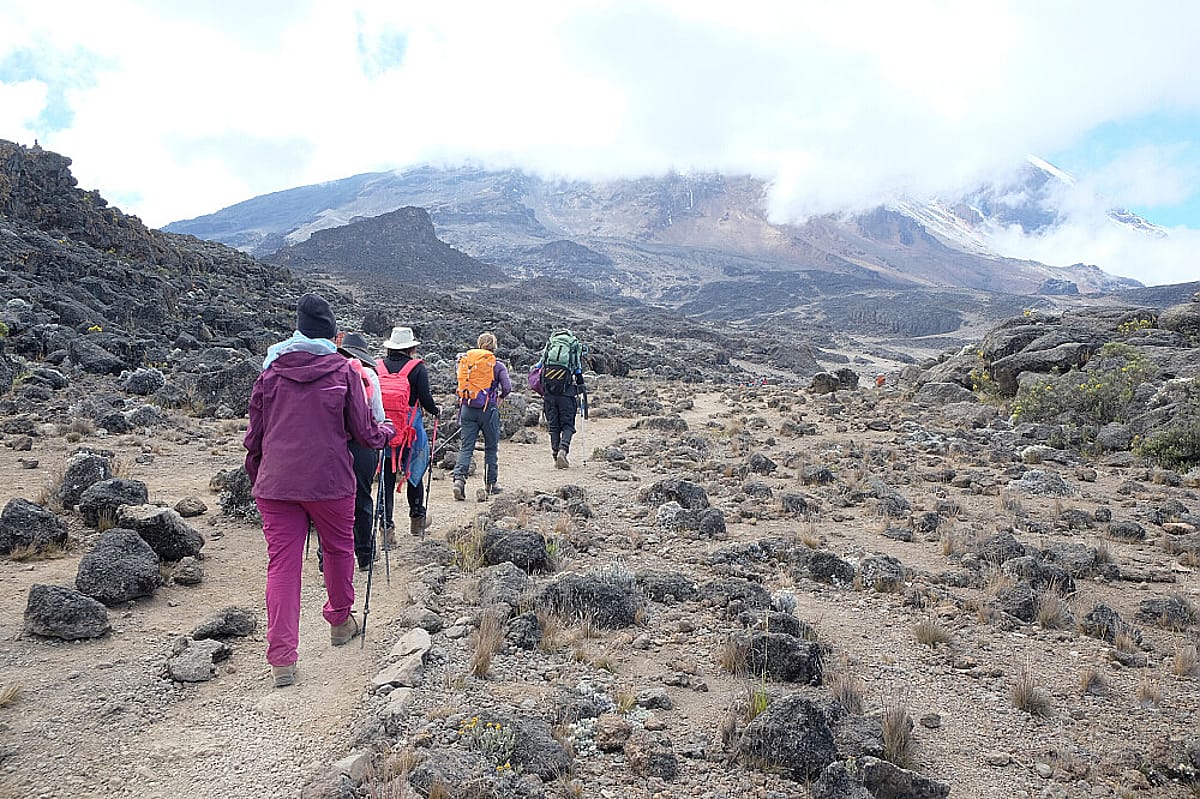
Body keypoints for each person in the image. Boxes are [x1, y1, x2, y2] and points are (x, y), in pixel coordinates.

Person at [244, 294, 395, 688]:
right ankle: (340, 621)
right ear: (331, 335)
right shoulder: (344, 371)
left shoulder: (270, 372)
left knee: (282, 565)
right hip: (329, 482)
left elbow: (254, 437)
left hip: (277, 484)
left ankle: (282, 658)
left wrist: (259, 476)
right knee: (339, 549)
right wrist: (386, 433)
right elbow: (364, 431)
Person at [377, 326, 440, 538]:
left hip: (385, 429)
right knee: (414, 472)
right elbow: (426, 399)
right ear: (411, 348)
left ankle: (386, 528)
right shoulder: (418, 368)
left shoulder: (378, 367)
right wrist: (436, 411)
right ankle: (417, 519)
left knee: (386, 477)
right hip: (411, 429)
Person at [336, 332, 386, 570]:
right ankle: (365, 555)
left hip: (330, 445)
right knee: (362, 498)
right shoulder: (368, 374)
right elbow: (378, 416)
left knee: (330, 501)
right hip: (362, 446)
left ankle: (326, 557)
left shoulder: (326, 371)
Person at [452, 332, 511, 499]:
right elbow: (507, 387)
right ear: (494, 347)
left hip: (467, 407)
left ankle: (459, 480)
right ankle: (491, 484)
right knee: (491, 447)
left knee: (466, 447)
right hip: (488, 410)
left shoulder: (468, 362)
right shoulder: (497, 365)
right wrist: (500, 397)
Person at [539, 330, 586, 469]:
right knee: (568, 425)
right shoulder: (573, 345)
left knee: (553, 426)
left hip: (549, 393)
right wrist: (581, 385)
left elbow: (540, 365)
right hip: (567, 393)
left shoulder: (551, 343)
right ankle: (563, 450)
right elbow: (577, 369)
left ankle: (555, 454)